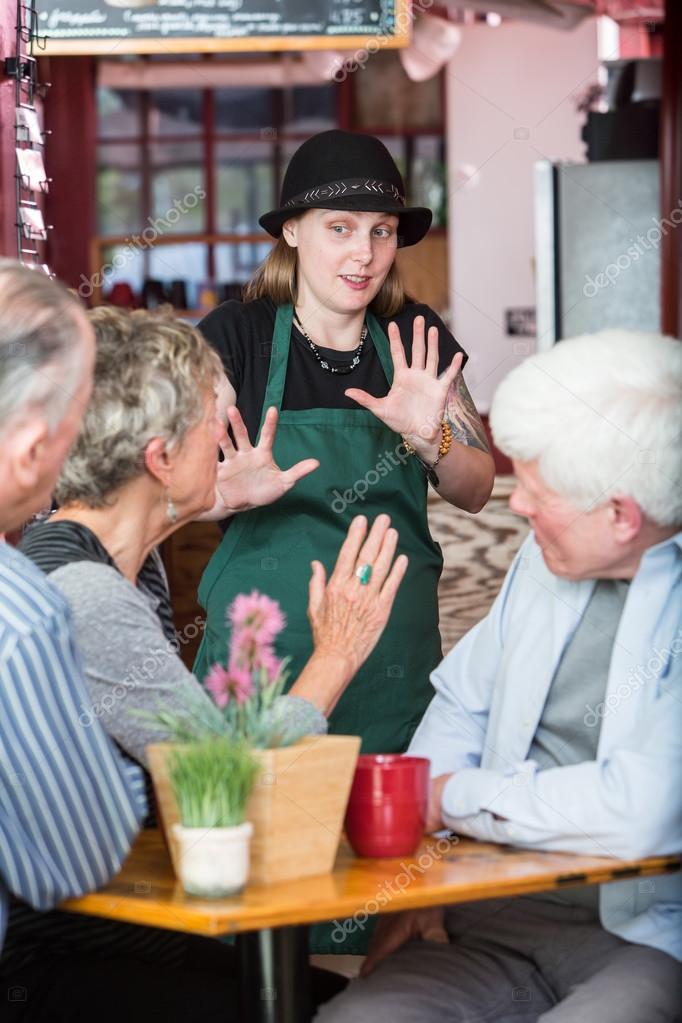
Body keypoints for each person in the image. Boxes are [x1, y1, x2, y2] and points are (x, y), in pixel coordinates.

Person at [315, 328, 682, 1023]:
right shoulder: (543, 567)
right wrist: (419, 895)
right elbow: (459, 708)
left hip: (644, 940)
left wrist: (456, 798)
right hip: (487, 922)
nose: (516, 504)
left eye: (540, 492)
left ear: (622, 515)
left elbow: (643, 811)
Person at [196, 129, 495, 770]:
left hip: (392, 661)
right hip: (262, 667)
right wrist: (216, 494)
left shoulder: (416, 338)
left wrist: (428, 438)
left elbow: (475, 490)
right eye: (340, 228)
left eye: (381, 231)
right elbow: (162, 488)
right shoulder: (236, 337)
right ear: (294, 232)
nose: (364, 254)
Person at [19, 305, 408, 770]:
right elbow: (223, 772)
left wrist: (202, 498)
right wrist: (339, 652)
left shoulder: (101, 552)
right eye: (214, 426)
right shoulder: (90, 595)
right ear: (160, 458)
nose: (224, 441)